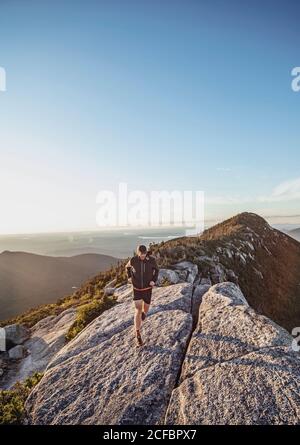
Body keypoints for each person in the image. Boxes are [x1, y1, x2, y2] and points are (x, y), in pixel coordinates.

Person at [125, 244, 159, 347]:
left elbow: (156, 270)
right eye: (141, 254)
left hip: (148, 288)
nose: (143, 256)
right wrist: (129, 277)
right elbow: (127, 267)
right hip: (137, 289)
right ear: (138, 253)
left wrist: (153, 280)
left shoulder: (151, 260)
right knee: (138, 310)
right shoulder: (134, 260)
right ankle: (137, 333)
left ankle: (144, 313)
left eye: (144, 254)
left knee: (146, 309)